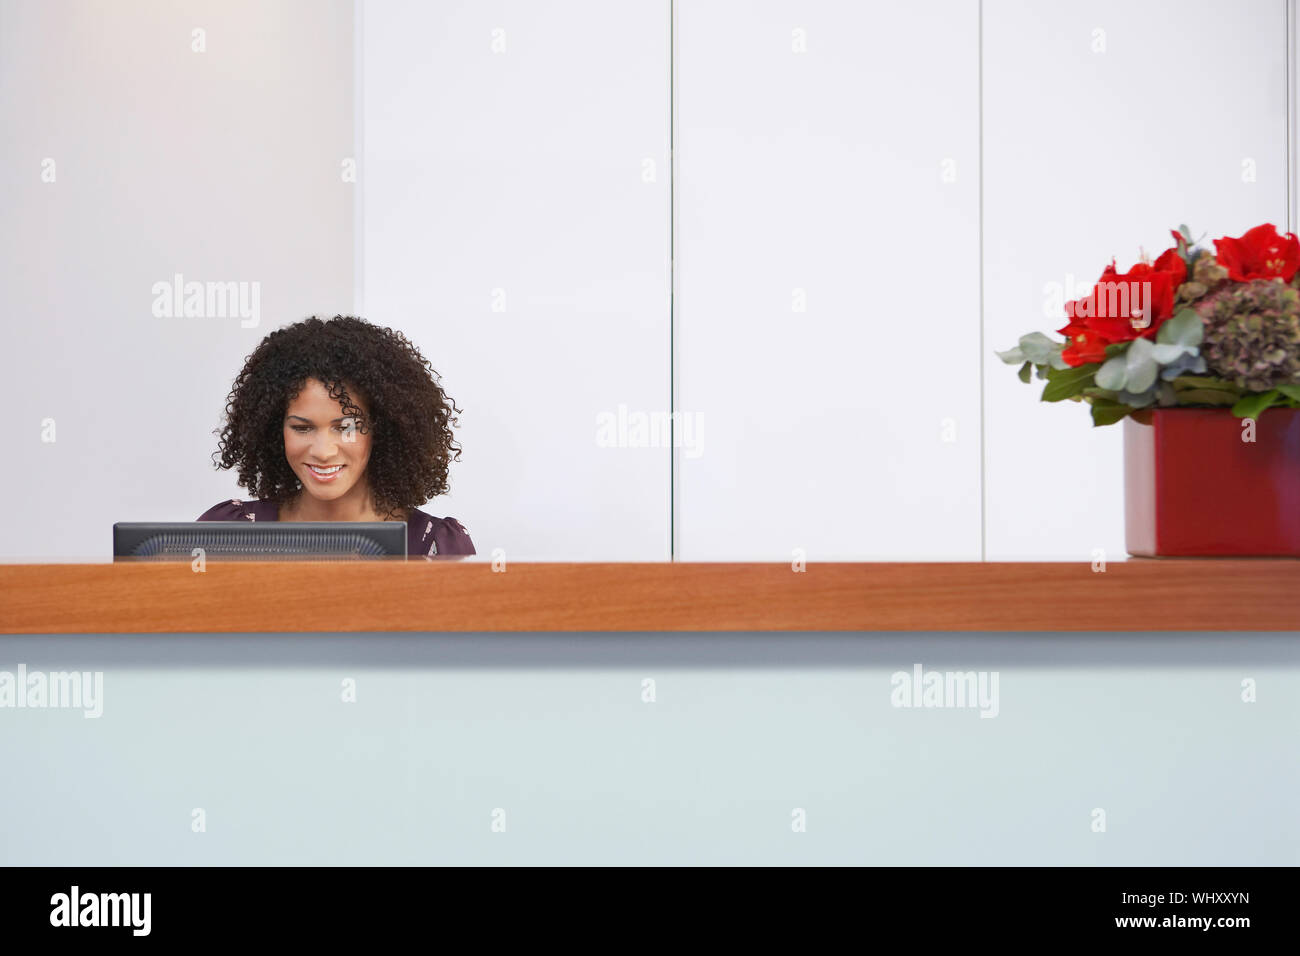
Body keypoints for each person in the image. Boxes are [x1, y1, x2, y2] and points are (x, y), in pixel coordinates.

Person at [197, 315, 475, 558]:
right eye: (302, 428)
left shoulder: (435, 547)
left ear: (382, 428)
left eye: (346, 428)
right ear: (274, 430)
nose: (323, 451)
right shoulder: (227, 535)